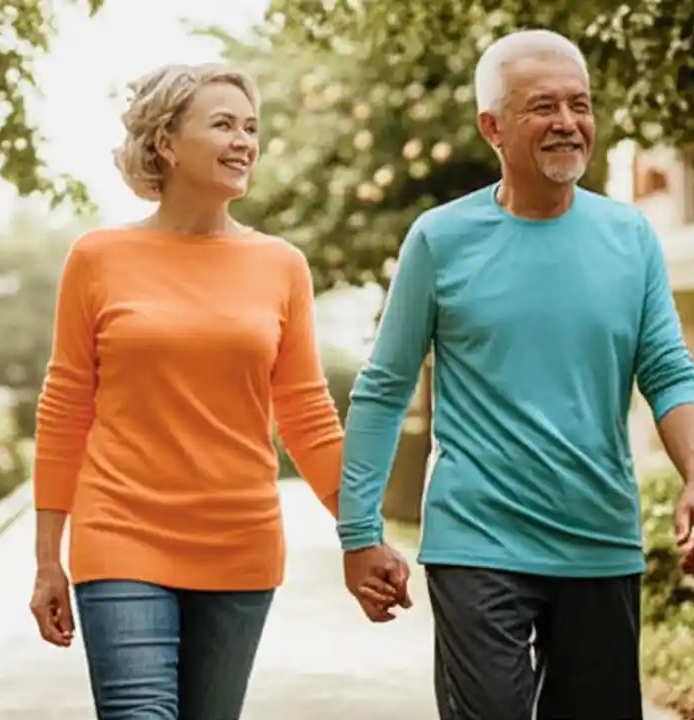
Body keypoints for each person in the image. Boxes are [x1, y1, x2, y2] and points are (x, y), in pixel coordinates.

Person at [335, 29, 694, 720]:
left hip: (599, 539)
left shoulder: (630, 237)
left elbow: (668, 372)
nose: (567, 123)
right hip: (477, 538)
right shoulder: (440, 238)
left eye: (579, 105)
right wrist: (359, 533)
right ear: (492, 126)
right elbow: (384, 385)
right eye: (542, 106)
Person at [27, 63, 411, 719]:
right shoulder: (97, 259)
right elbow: (65, 410)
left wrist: (361, 533)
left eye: (252, 127)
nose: (244, 141)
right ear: (166, 142)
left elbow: (308, 416)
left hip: (239, 544)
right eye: (223, 124)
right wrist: (46, 560)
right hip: (120, 533)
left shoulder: (280, 265)